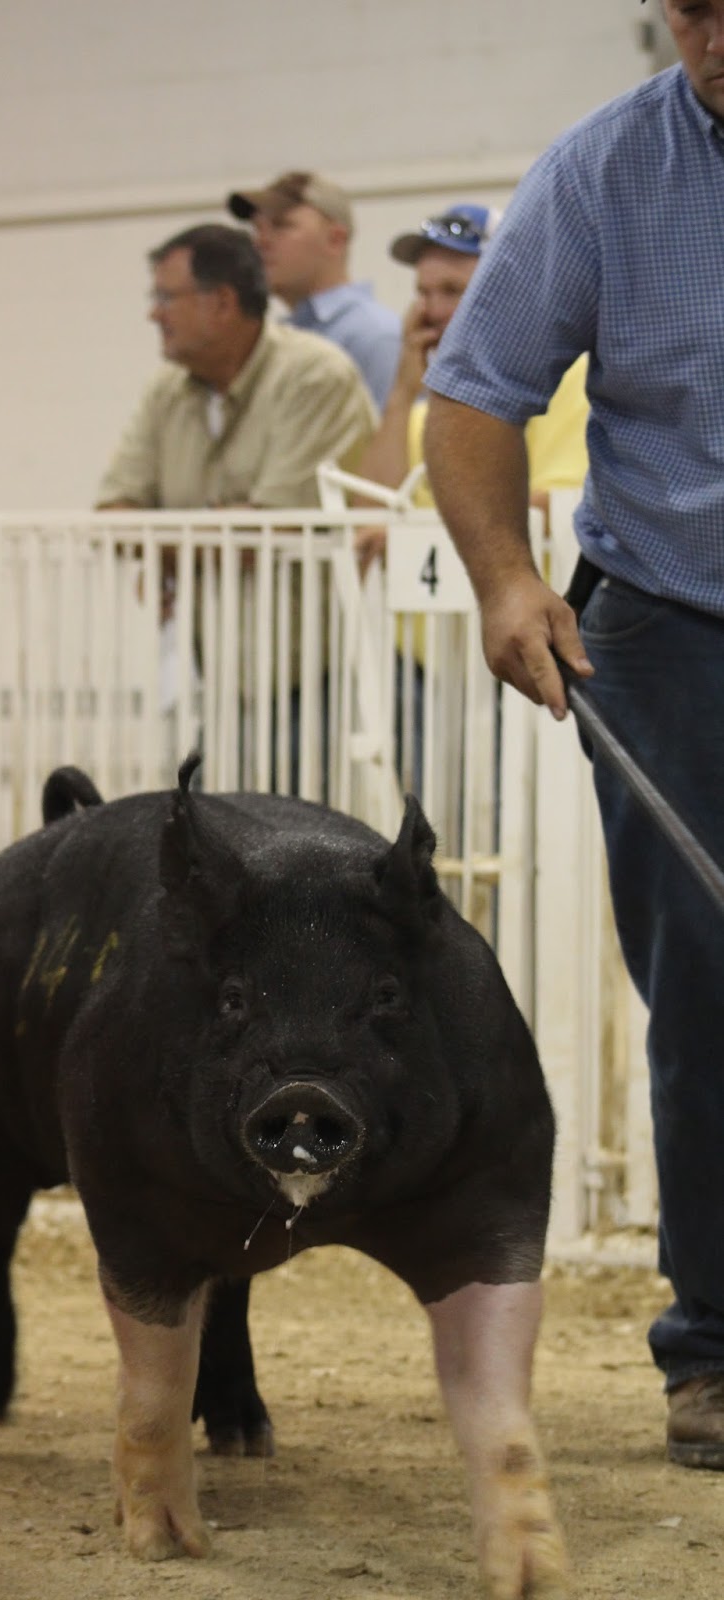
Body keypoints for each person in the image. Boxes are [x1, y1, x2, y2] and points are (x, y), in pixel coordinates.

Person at [423, 0, 724, 1471]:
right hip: (670, 621)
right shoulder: (603, 172)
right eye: (697, 11)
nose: (717, 36)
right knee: (710, 984)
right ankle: (715, 1352)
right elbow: (475, 393)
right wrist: (503, 580)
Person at [97, 222, 377, 512]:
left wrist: (162, 536)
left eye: (166, 298)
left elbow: (275, 528)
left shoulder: (314, 375)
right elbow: (113, 511)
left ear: (222, 303)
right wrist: (217, 528)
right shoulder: (165, 388)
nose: (154, 315)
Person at [360, 201, 588, 526]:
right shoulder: (427, 414)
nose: (433, 311)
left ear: (512, 290)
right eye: (423, 293)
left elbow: (559, 506)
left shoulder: (567, 378)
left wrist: (414, 538)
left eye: (452, 290)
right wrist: (402, 392)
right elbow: (365, 523)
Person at [227, 171, 400, 412]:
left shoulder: (374, 336)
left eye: (281, 225)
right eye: (258, 228)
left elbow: (390, 445)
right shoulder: (280, 335)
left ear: (336, 239)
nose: (261, 241)